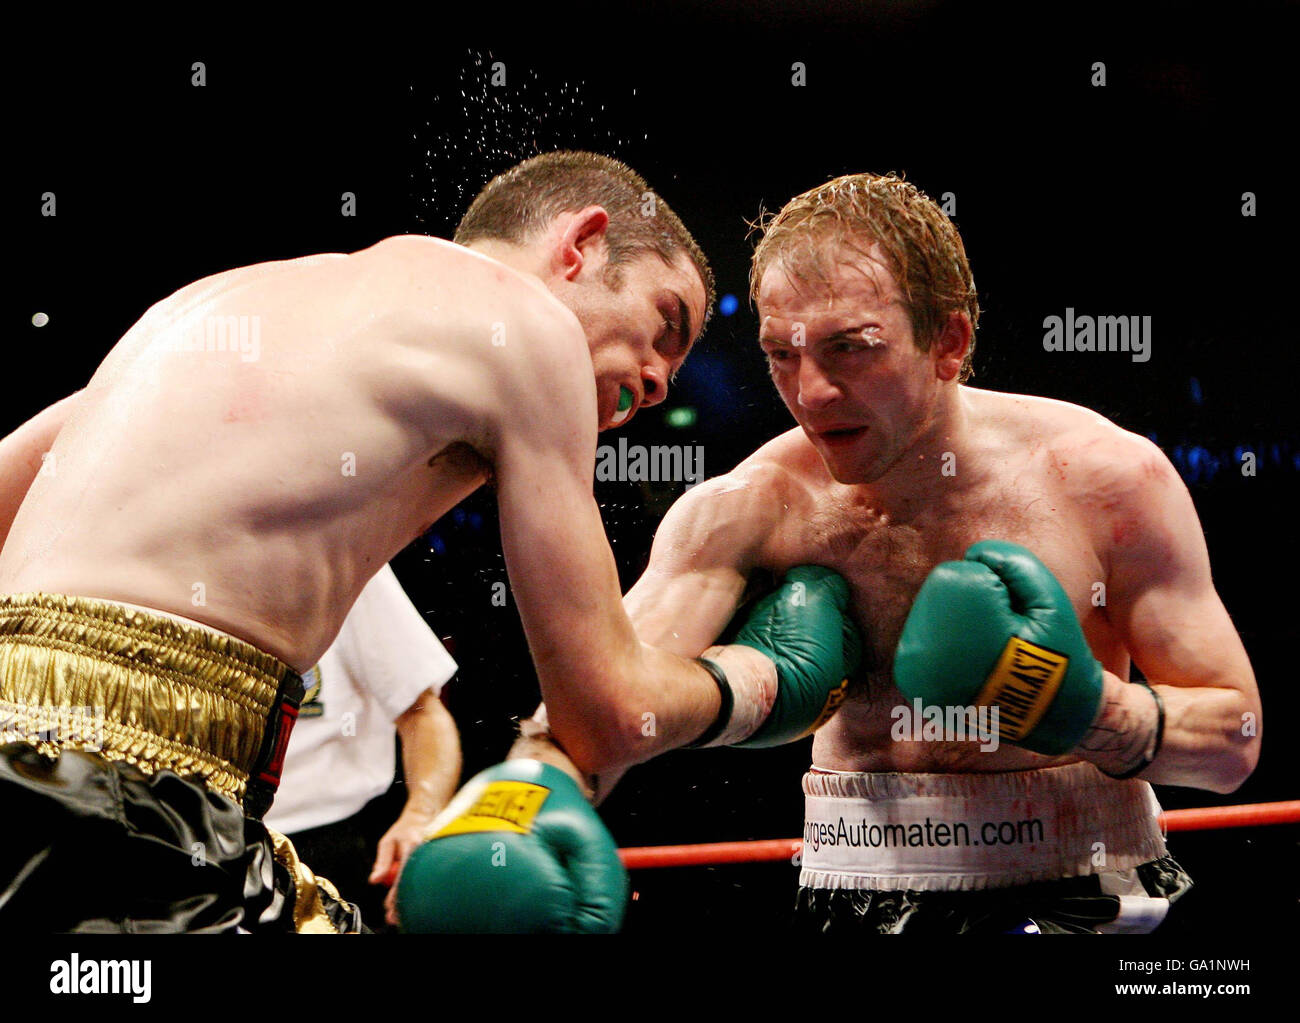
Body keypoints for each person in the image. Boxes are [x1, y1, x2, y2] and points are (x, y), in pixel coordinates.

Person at [0, 151, 860, 933]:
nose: (660, 379)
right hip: (129, 790)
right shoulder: (529, 329)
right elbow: (604, 711)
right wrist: (755, 680)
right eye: (663, 324)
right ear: (581, 244)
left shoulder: (208, 307)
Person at [412, 172, 1261, 934]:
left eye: (850, 348)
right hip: (858, 889)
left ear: (949, 342)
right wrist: (516, 798)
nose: (810, 393)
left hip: (1090, 884)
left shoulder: (1106, 481)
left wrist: (1090, 710)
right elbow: (607, 700)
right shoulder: (754, 507)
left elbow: (1235, 740)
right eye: (782, 355)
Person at [264, 563, 461, 930]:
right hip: (195, 839)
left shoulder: (339, 550)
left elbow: (423, 715)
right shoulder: (163, 557)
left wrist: (421, 816)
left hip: (335, 849)